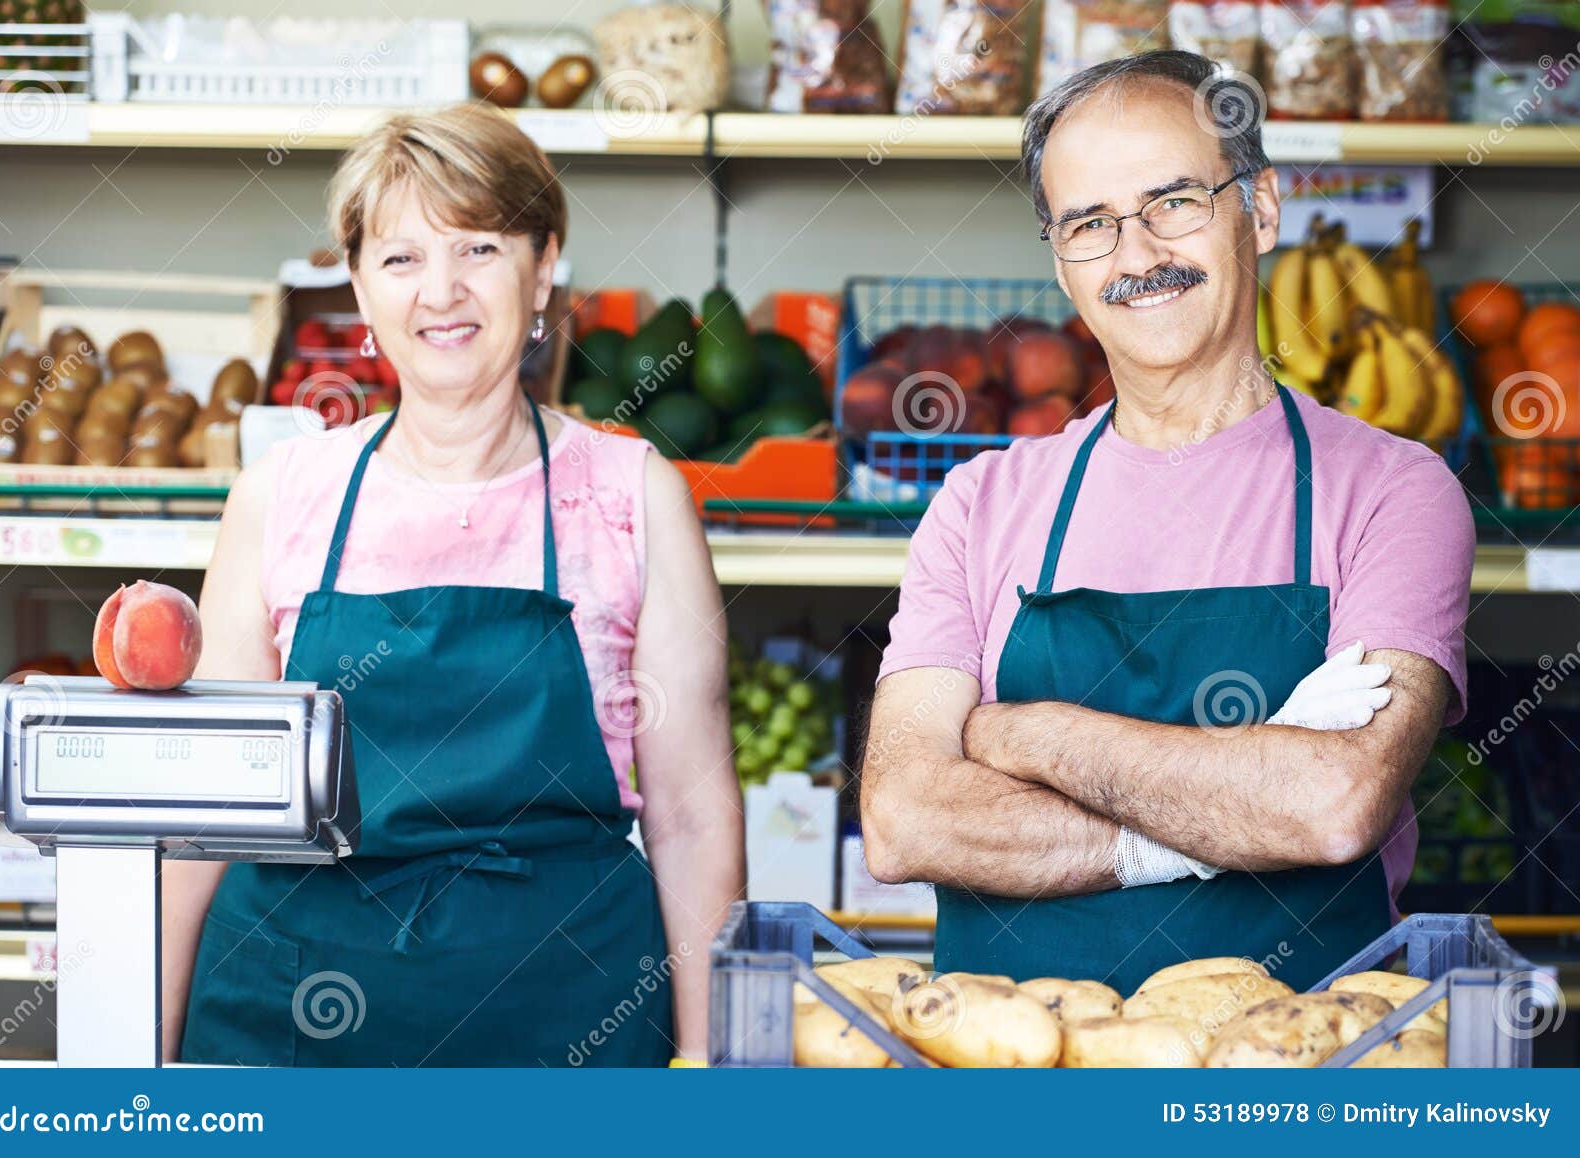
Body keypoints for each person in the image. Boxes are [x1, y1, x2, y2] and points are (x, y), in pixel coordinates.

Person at [860, 52, 1472, 993]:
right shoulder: (980, 505)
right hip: (1012, 1075)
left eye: (1174, 202)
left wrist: (1026, 737)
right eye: (1091, 224)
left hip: (1293, 1079)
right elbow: (906, 821)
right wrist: (1234, 805)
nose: (1138, 256)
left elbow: (1334, 804)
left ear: (1259, 209)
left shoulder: (1393, 491)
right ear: (1061, 262)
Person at [163, 103, 743, 1065]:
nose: (442, 292)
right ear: (358, 282)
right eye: (399, 259)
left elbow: (689, 813)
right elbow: (207, 818)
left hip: (567, 1021)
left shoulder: (634, 496)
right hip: (289, 1023)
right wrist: (136, 1064)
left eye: (478, 247)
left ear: (543, 263)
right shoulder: (280, 499)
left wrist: (712, 1071)